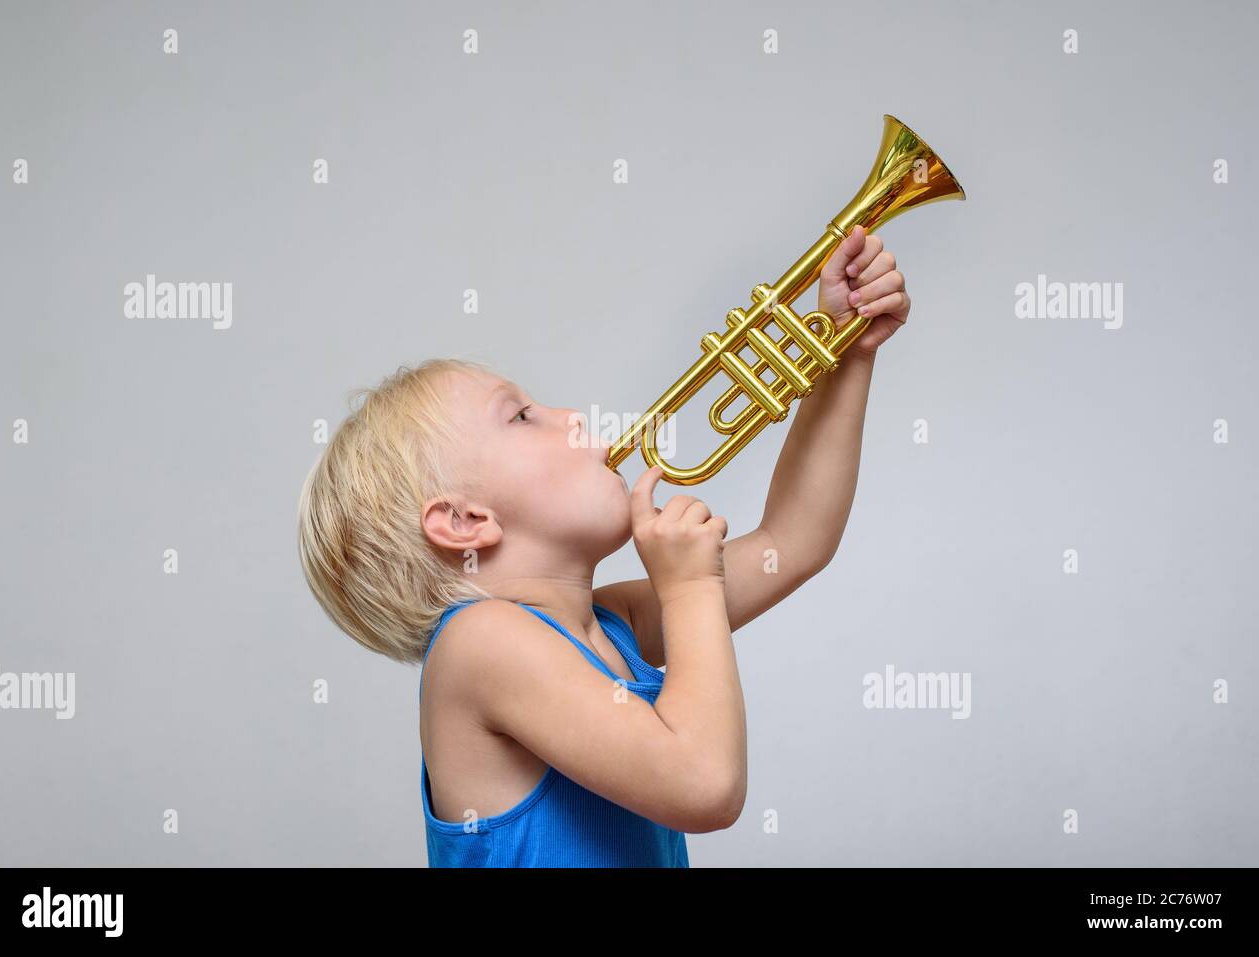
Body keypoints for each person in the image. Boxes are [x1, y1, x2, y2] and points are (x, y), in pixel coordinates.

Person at [297, 225, 910, 865]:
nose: (572, 417)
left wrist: (846, 355)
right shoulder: (478, 644)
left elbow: (795, 540)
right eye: (522, 416)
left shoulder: (611, 626)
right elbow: (705, 787)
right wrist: (692, 588)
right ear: (464, 521)